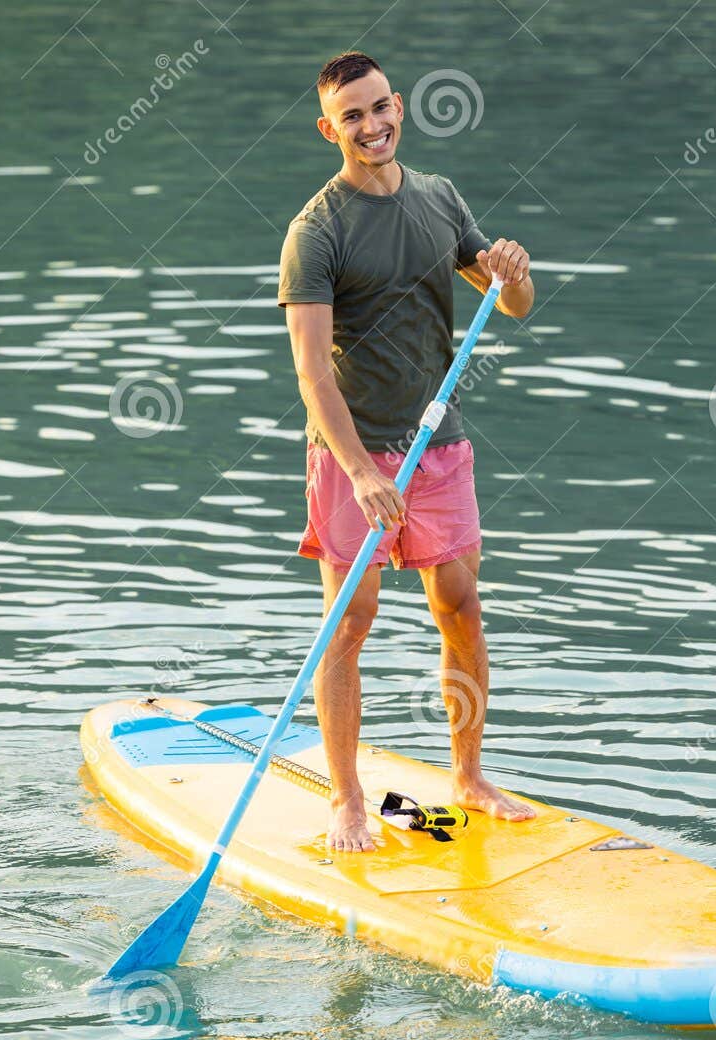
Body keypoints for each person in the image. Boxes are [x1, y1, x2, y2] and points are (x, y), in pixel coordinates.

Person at [278, 51, 535, 852]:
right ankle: (347, 802)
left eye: (381, 107)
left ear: (401, 108)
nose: (372, 124)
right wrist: (359, 474)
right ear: (330, 129)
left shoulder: (439, 199)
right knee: (348, 624)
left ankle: (468, 777)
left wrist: (512, 272)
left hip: (438, 443)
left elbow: (514, 306)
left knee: (461, 610)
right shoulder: (315, 232)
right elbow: (313, 374)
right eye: (352, 115)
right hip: (353, 452)